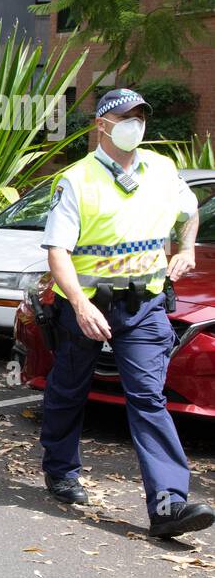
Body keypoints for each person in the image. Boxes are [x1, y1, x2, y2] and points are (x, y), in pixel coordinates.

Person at [37, 88, 213, 538]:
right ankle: (60, 469)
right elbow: (58, 251)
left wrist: (188, 247)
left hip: (145, 306)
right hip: (89, 307)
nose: (136, 123)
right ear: (102, 124)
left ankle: (169, 504)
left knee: (149, 398)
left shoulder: (162, 169)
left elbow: (188, 211)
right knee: (69, 390)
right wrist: (78, 304)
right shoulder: (75, 180)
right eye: (125, 116)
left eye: (141, 116)